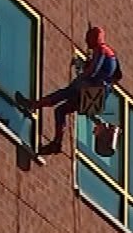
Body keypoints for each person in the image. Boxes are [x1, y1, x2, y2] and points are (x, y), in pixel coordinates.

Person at [14, 25, 122, 157]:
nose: (87, 43)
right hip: (96, 92)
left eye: (88, 39)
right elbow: (115, 75)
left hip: (90, 90)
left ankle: (33, 105)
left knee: (64, 93)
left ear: (93, 38)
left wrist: (83, 74)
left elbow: (93, 71)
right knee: (60, 111)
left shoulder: (101, 50)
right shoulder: (111, 54)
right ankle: (56, 143)